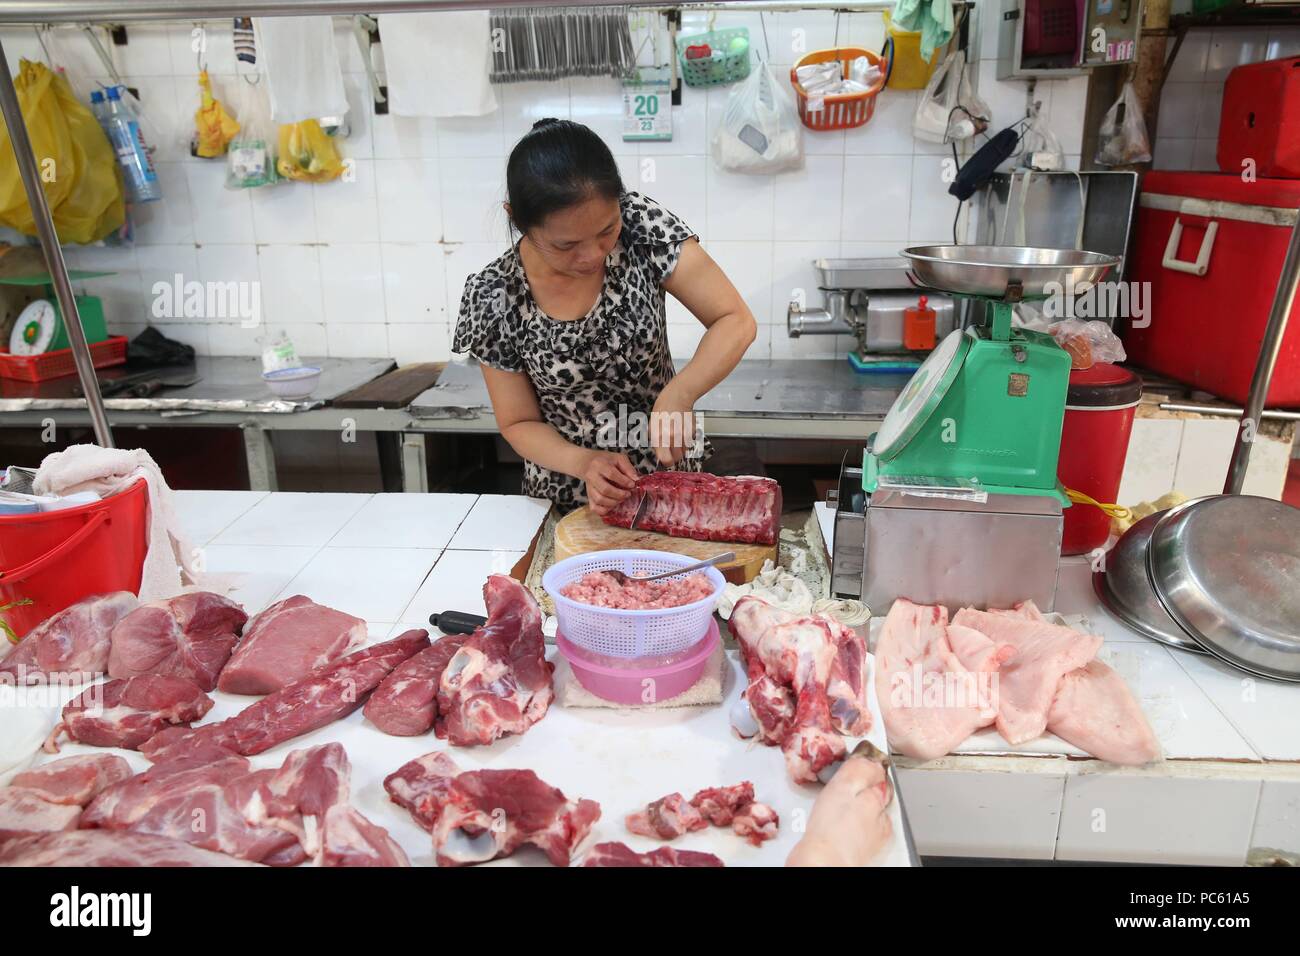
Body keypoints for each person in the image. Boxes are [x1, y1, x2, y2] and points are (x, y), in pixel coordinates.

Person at [453, 119, 757, 514]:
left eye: (605, 230)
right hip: (564, 500)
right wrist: (585, 463)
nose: (594, 255)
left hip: (669, 485)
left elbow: (734, 319)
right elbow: (518, 423)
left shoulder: (640, 226)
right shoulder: (495, 294)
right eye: (567, 245)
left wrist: (681, 393)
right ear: (517, 219)